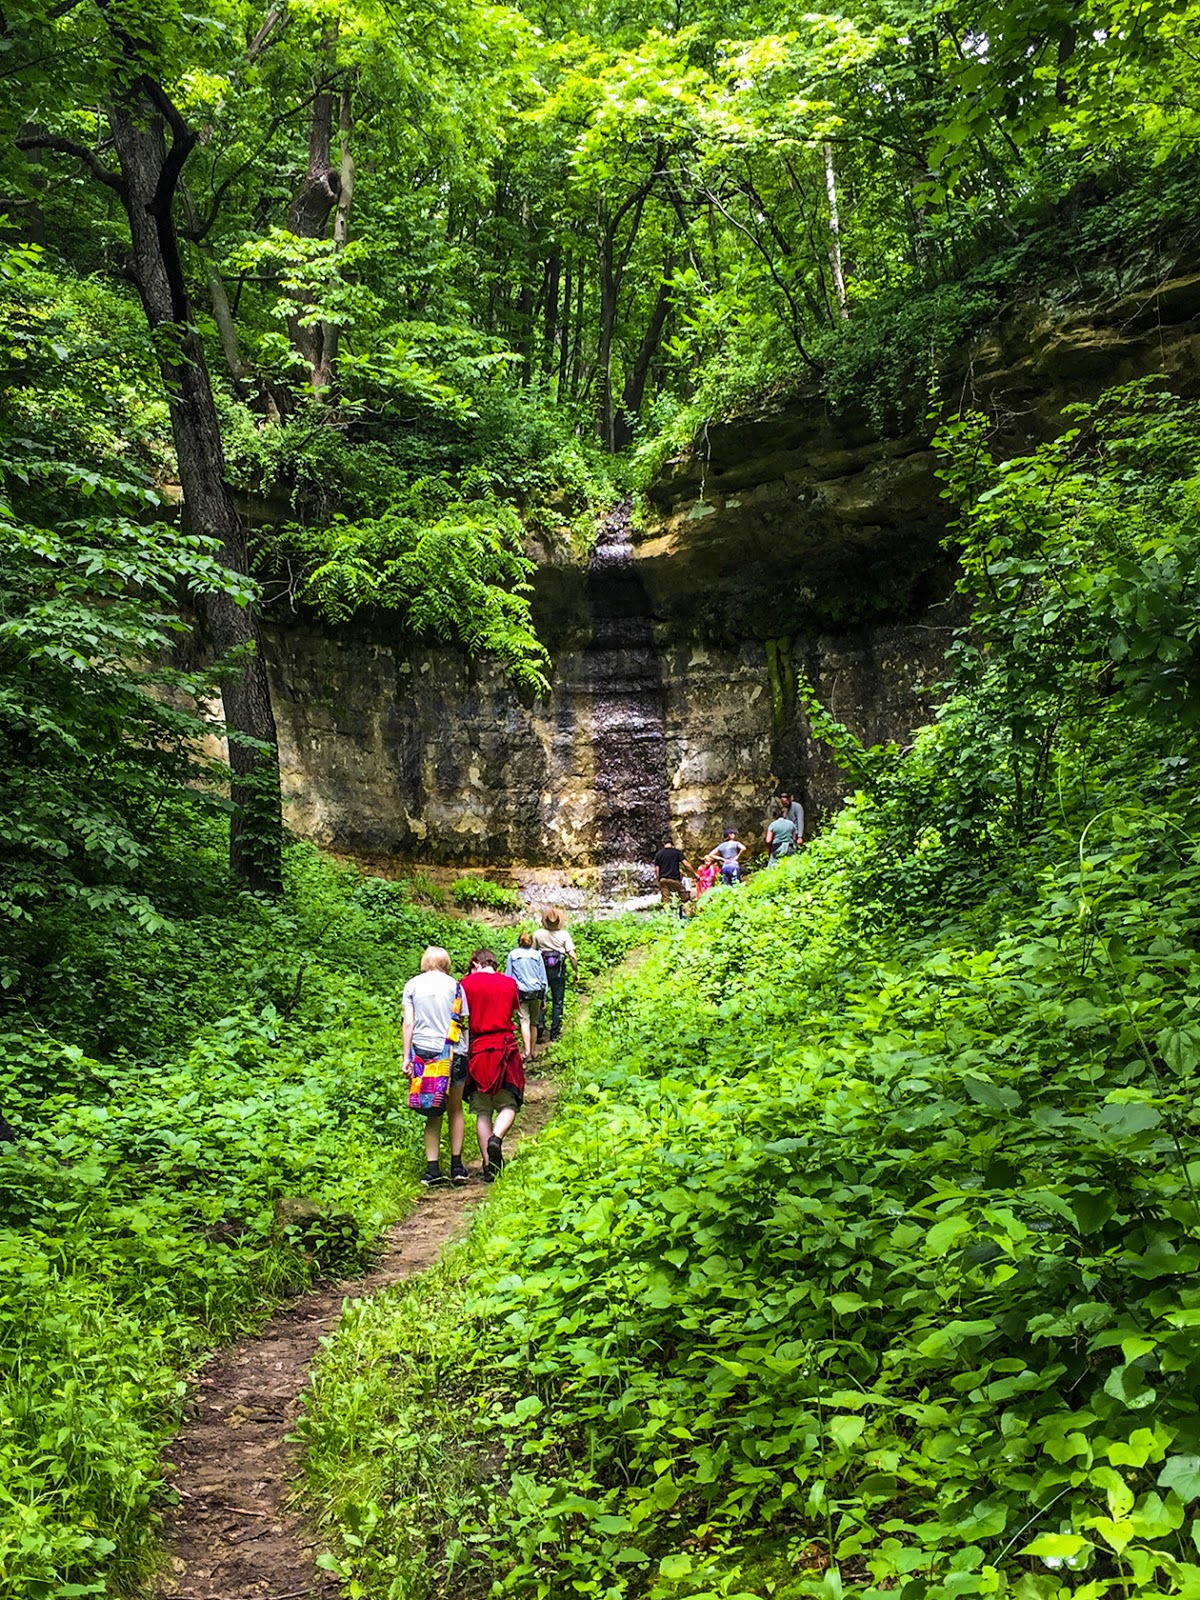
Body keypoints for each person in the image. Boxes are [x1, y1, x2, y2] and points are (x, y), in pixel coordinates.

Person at [402, 946, 471, 1187]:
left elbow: (408, 1024)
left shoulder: (412, 985)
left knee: (432, 1109)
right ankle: (457, 1165)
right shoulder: (455, 986)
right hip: (453, 1053)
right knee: (455, 1110)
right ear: (446, 963)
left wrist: (406, 1058)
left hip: (423, 1054)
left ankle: (432, 1170)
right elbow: (461, 1022)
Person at [461, 948, 525, 1182]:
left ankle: (490, 1167)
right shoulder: (509, 983)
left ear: (476, 963)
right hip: (505, 1048)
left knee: (482, 1110)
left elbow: (459, 1016)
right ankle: (496, 1139)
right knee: (510, 1102)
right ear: (494, 963)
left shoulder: (467, 984)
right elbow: (513, 1011)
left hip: (478, 1049)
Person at [533, 908, 578, 1041]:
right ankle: (555, 1032)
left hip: (542, 969)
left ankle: (539, 1024)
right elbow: (572, 956)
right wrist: (576, 971)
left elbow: (533, 952)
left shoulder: (538, 934)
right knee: (558, 1001)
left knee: (541, 998)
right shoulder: (564, 935)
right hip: (558, 970)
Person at [505, 930, 547, 1063]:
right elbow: (543, 977)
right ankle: (534, 1052)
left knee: (524, 1021)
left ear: (519, 942)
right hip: (536, 992)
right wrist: (544, 996)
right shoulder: (537, 955)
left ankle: (526, 1051)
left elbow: (509, 977)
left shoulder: (513, 955)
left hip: (521, 992)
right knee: (534, 1023)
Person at [653, 836, 699, 910]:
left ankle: (667, 917)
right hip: (674, 879)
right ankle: (690, 913)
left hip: (663, 880)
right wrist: (695, 874)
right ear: (672, 843)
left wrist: (659, 879)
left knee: (666, 900)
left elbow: (656, 869)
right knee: (685, 897)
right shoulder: (677, 852)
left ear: (663, 843)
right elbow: (686, 864)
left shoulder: (659, 854)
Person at [765, 801, 797, 866]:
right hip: (789, 847)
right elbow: (794, 838)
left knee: (774, 865)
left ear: (774, 816)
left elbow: (768, 840)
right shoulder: (791, 823)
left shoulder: (772, 825)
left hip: (777, 848)